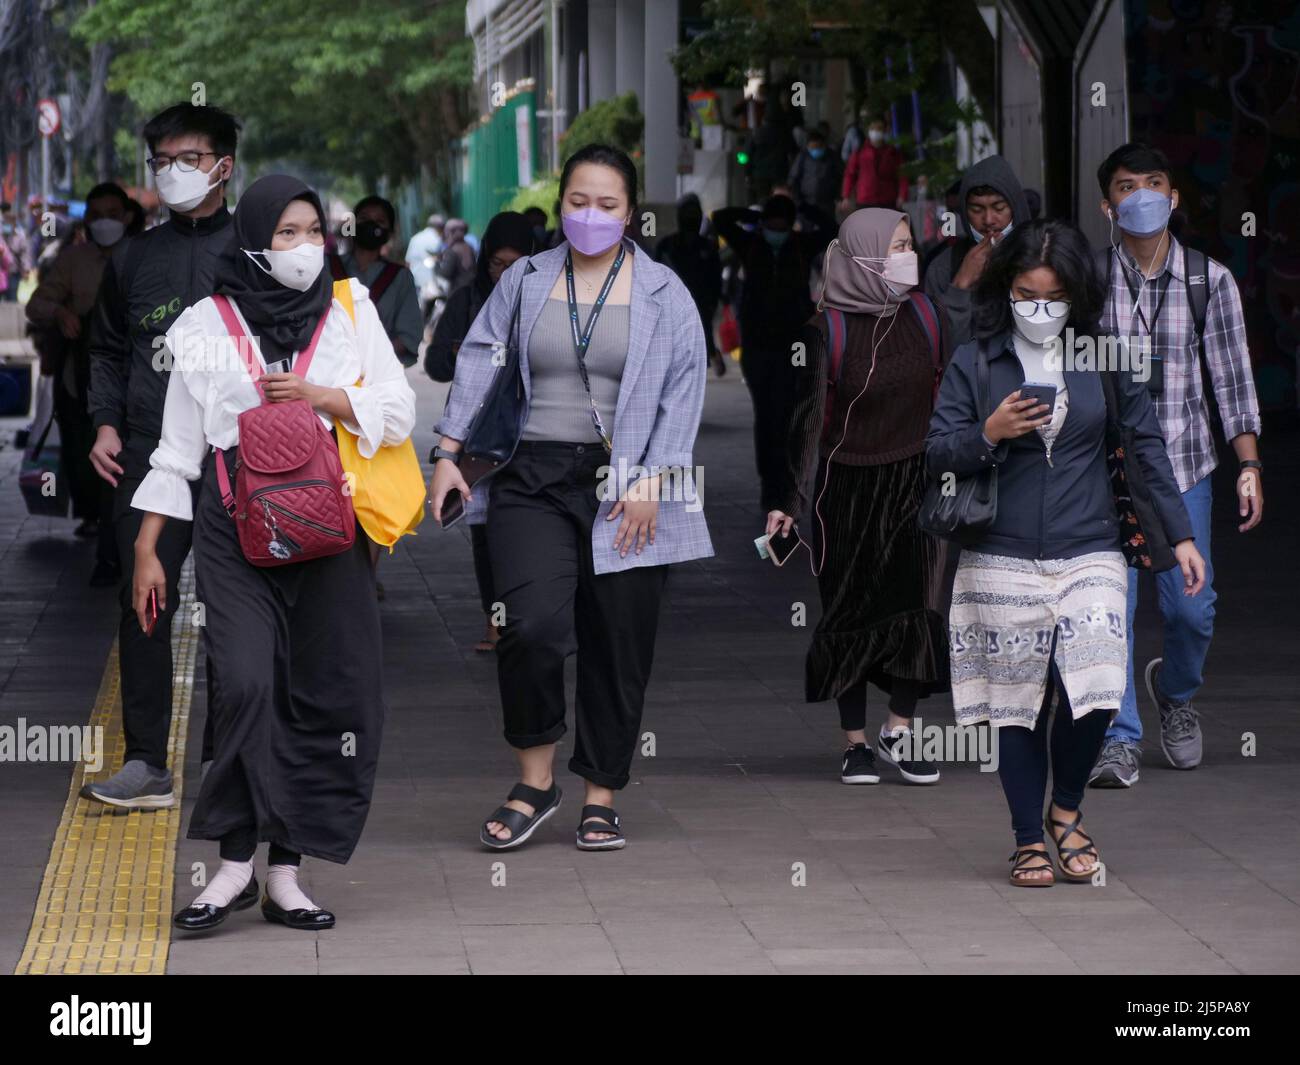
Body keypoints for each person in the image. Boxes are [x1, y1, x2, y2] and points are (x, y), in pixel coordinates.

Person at [131, 175, 416, 932]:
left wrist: (325, 399)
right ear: (253, 241)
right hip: (234, 531)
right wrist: (149, 546)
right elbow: (178, 450)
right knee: (247, 686)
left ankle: (285, 873)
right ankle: (231, 865)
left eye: (312, 231)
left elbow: (398, 408)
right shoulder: (202, 324)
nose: (302, 248)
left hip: (327, 527)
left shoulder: (351, 310)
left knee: (324, 693)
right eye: (284, 234)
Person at [427, 143, 714, 852]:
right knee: (531, 624)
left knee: (619, 637)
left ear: (631, 211)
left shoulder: (663, 291)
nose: (591, 215)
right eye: (578, 202)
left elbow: (686, 386)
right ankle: (534, 778)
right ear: (561, 206)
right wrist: (447, 453)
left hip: (628, 480)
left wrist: (656, 476)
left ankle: (602, 791)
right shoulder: (524, 279)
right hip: (532, 476)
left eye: (608, 205)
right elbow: (478, 359)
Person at [926, 219, 1205, 885]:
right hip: (1000, 549)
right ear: (1007, 290)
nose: (1040, 311)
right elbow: (937, 451)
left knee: (1099, 686)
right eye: (1026, 296)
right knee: (1016, 700)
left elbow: (1145, 447)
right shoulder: (976, 357)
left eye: (1055, 300)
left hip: (1091, 545)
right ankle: (1029, 836)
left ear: (1078, 298)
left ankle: (1067, 808)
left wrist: (1183, 535)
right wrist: (988, 433)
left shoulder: (1106, 356)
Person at [1088, 143, 1263, 788]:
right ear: (1107, 205)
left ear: (1174, 196)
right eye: (1127, 186)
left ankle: (1176, 691)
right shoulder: (1087, 281)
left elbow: (1234, 383)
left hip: (1185, 467)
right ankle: (1119, 737)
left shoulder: (1208, 280)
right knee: (1111, 609)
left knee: (1192, 610)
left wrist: (1248, 466)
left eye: (1154, 183)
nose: (1142, 196)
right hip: (1105, 475)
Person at [82, 102, 241, 809]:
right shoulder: (134, 257)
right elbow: (109, 348)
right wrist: (105, 423)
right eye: (162, 162)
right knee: (143, 596)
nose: (172, 173)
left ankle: (228, 762)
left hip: (243, 458)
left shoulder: (258, 252)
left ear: (224, 167)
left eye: (188, 159)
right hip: (148, 455)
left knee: (238, 607)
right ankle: (146, 762)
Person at [767, 209, 952, 785]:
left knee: (916, 607)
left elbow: (952, 395)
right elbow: (807, 425)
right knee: (850, 609)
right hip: (843, 489)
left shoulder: (927, 314)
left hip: (915, 481)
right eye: (894, 246)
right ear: (863, 257)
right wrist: (790, 504)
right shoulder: (827, 331)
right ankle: (855, 744)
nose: (908, 255)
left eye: (908, 244)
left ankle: (899, 728)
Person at [424, 210, 536, 652]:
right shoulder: (468, 300)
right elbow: (434, 365)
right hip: (479, 437)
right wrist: (466, 354)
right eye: (498, 265)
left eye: (516, 264)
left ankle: (530, 616)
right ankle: (496, 621)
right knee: (485, 531)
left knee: (528, 529)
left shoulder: (550, 298)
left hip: (531, 435)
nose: (506, 275)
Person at [25, 181, 133, 584]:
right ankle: (95, 517)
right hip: (82, 370)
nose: (106, 222)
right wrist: (61, 313)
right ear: (87, 220)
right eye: (98, 215)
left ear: (126, 217)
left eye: (113, 213)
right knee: (84, 448)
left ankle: (115, 539)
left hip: (134, 372)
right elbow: (37, 304)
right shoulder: (73, 260)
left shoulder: (141, 254)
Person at [713, 194, 834, 511]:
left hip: (795, 344)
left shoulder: (801, 244)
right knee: (766, 415)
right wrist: (754, 214)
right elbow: (721, 217)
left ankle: (787, 479)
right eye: (772, 224)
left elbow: (832, 227)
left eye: (782, 224)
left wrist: (802, 204)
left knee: (791, 413)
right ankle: (771, 481)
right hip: (758, 345)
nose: (776, 230)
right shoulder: (750, 242)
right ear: (765, 223)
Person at [923, 155, 1031, 347]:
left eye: (999, 207)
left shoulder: (1043, 255)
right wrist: (961, 285)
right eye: (977, 209)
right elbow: (938, 347)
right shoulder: (943, 268)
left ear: (1015, 206)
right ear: (964, 212)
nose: (989, 219)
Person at [329, 195, 422, 368]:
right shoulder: (328, 268)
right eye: (364, 219)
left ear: (390, 233)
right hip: (328, 369)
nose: (371, 225)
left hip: (378, 375)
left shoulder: (400, 277)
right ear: (352, 226)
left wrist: (365, 355)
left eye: (380, 221)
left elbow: (409, 337)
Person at [654, 193, 725, 377]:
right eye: (687, 212)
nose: (690, 217)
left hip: (700, 304)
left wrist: (713, 301)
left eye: (693, 212)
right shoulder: (667, 245)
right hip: (674, 306)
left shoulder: (706, 247)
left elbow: (715, 277)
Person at [841, 116, 908, 211]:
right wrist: (846, 196)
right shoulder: (860, 153)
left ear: (885, 130)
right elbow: (850, 175)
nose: (876, 132)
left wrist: (902, 195)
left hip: (888, 200)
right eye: (872, 128)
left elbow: (902, 176)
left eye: (879, 128)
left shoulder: (893, 153)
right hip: (865, 200)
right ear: (868, 130)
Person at [788, 127, 841, 223]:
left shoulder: (832, 156)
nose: (815, 150)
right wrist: (797, 199)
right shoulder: (802, 157)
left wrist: (838, 196)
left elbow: (839, 176)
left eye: (818, 147)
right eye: (812, 147)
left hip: (827, 202)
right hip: (806, 202)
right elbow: (794, 178)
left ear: (824, 145)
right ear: (808, 146)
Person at [405, 211, 444, 308]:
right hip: (434, 285)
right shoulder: (439, 240)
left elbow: (407, 263)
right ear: (441, 228)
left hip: (416, 281)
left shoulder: (415, 238)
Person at [435, 218, 476, 295]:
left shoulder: (452, 251)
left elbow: (446, 273)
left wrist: (436, 265)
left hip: (457, 293)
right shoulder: (470, 247)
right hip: (471, 290)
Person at [2, 201, 32, 300]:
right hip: (1, 272)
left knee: (12, 298)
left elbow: (25, 254)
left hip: (13, 272)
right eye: (5, 221)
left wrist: (26, 270)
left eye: (9, 222)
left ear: (14, 223)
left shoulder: (20, 237)